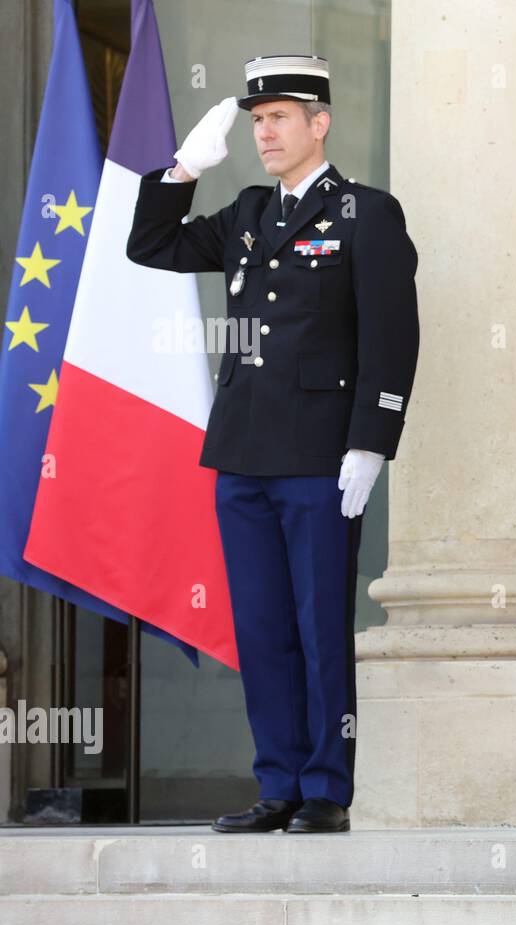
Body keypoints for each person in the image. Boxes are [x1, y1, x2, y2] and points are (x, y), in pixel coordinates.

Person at [126, 55, 420, 833]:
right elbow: (150, 246)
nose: (264, 132)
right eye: (257, 120)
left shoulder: (367, 213)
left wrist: (372, 439)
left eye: (280, 117)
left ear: (319, 124)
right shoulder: (248, 212)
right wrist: (184, 167)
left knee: (320, 625)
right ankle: (278, 782)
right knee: (261, 626)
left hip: (321, 454)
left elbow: (392, 335)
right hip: (244, 454)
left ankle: (326, 788)